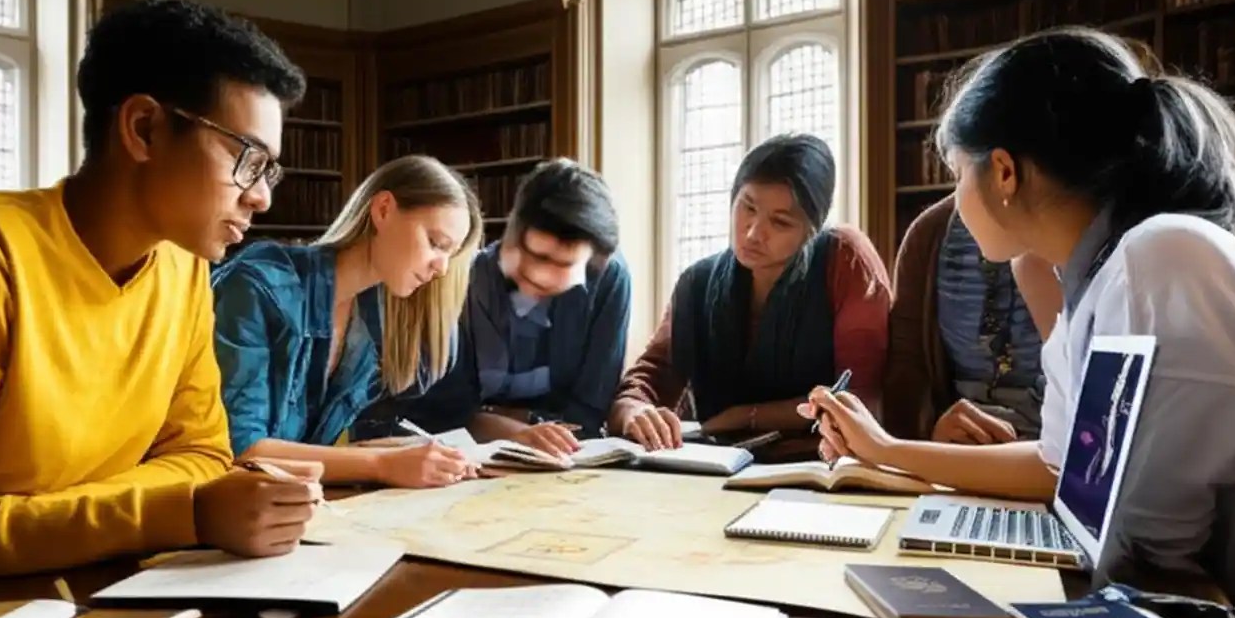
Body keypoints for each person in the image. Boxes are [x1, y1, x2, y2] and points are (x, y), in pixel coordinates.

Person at [806, 27, 1235, 601]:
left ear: (1006, 173)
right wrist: (884, 450)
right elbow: (1059, 468)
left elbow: (1148, 557)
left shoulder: (1158, 261)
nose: (956, 199)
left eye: (959, 173)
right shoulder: (1095, 280)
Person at [0, 0, 321, 577]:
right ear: (144, 129)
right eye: (248, 158)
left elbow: (204, 455)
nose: (262, 197)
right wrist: (179, 512)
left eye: (268, 170)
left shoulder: (184, 271)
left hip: (104, 586)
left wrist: (46, 517)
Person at [609, 133, 890, 454]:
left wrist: (746, 417)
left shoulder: (843, 260)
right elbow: (650, 377)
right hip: (715, 464)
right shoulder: (698, 281)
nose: (754, 233)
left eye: (781, 222)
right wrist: (634, 410)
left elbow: (860, 400)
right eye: (748, 207)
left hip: (821, 461)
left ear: (812, 229)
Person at [213, 155, 483, 487]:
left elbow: (310, 451)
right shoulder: (260, 286)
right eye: (436, 244)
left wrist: (419, 454)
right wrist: (384, 463)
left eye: (450, 255)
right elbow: (240, 450)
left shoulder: (373, 323)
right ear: (383, 209)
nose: (441, 269)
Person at [395, 158, 630, 458]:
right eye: (536, 255)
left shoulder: (609, 278)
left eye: (566, 265)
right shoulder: (459, 278)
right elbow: (444, 413)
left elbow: (588, 412)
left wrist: (498, 415)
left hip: (568, 460)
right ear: (514, 228)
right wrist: (520, 430)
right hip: (468, 458)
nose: (542, 277)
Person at [884, 193, 1062, 444]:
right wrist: (931, 431)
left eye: (960, 168)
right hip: (960, 450)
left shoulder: (1081, 231)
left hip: (1058, 453)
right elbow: (905, 375)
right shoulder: (929, 233)